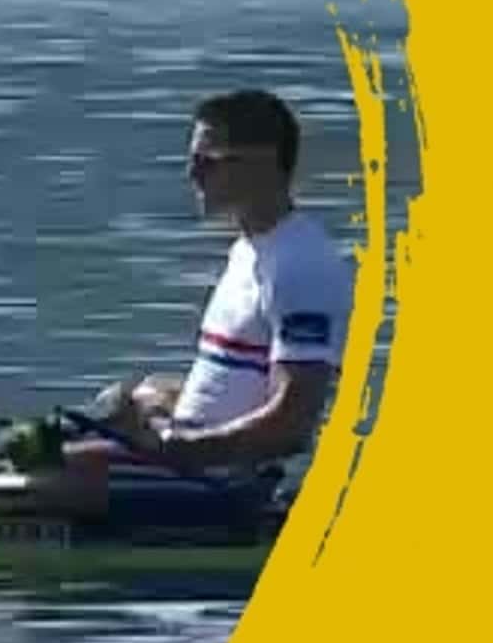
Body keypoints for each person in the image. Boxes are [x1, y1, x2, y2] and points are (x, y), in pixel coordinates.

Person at [25, 89, 353, 521]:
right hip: (192, 460)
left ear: (262, 163)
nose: (192, 174)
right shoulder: (250, 252)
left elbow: (291, 426)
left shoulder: (302, 266)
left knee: (34, 480)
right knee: (28, 454)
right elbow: (238, 388)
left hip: (228, 484)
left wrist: (178, 450)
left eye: (209, 161)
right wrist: (158, 401)